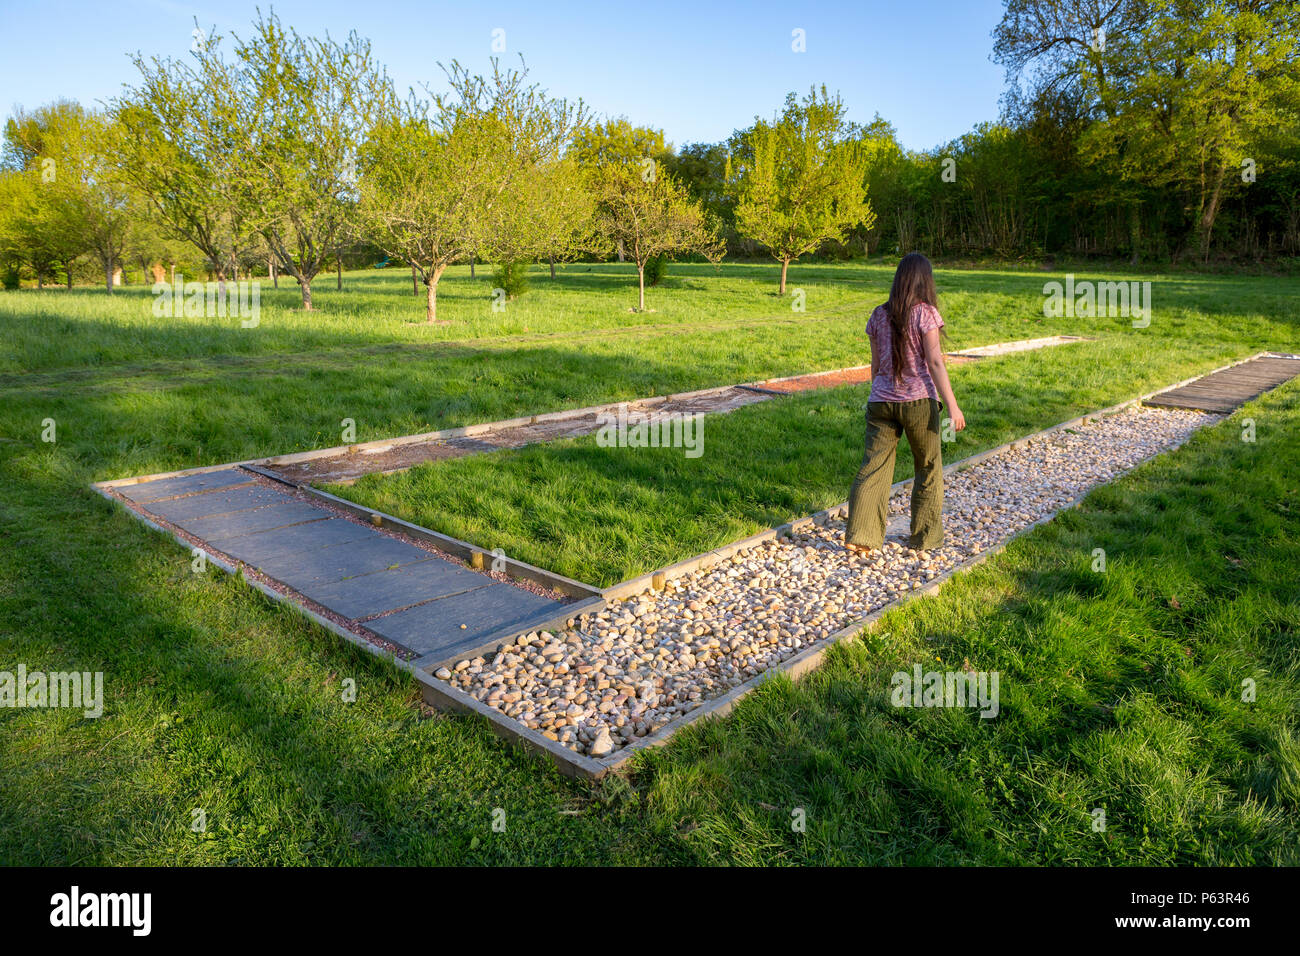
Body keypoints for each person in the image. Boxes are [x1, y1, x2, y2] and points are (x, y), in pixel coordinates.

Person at [845, 253, 965, 554]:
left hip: (881, 402)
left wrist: (881, 392)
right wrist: (952, 405)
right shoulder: (925, 313)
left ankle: (862, 536)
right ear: (925, 279)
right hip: (918, 402)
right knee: (927, 467)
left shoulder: (877, 315)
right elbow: (935, 362)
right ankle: (924, 538)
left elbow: (874, 367)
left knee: (873, 467)